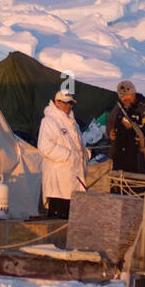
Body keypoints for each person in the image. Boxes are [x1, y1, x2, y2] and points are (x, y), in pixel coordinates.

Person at [38, 90, 88, 219]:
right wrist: (68, 155)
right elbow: (45, 146)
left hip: (73, 178)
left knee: (71, 217)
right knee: (58, 217)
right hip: (59, 179)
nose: (68, 106)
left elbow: (77, 144)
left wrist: (85, 154)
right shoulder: (49, 121)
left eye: (70, 103)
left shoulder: (72, 123)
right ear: (56, 102)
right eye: (65, 103)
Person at [106, 80, 145, 176]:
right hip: (118, 156)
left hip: (138, 158)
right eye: (122, 96)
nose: (125, 98)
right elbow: (110, 123)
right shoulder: (118, 107)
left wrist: (134, 129)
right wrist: (110, 133)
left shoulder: (144, 108)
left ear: (133, 93)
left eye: (127, 95)